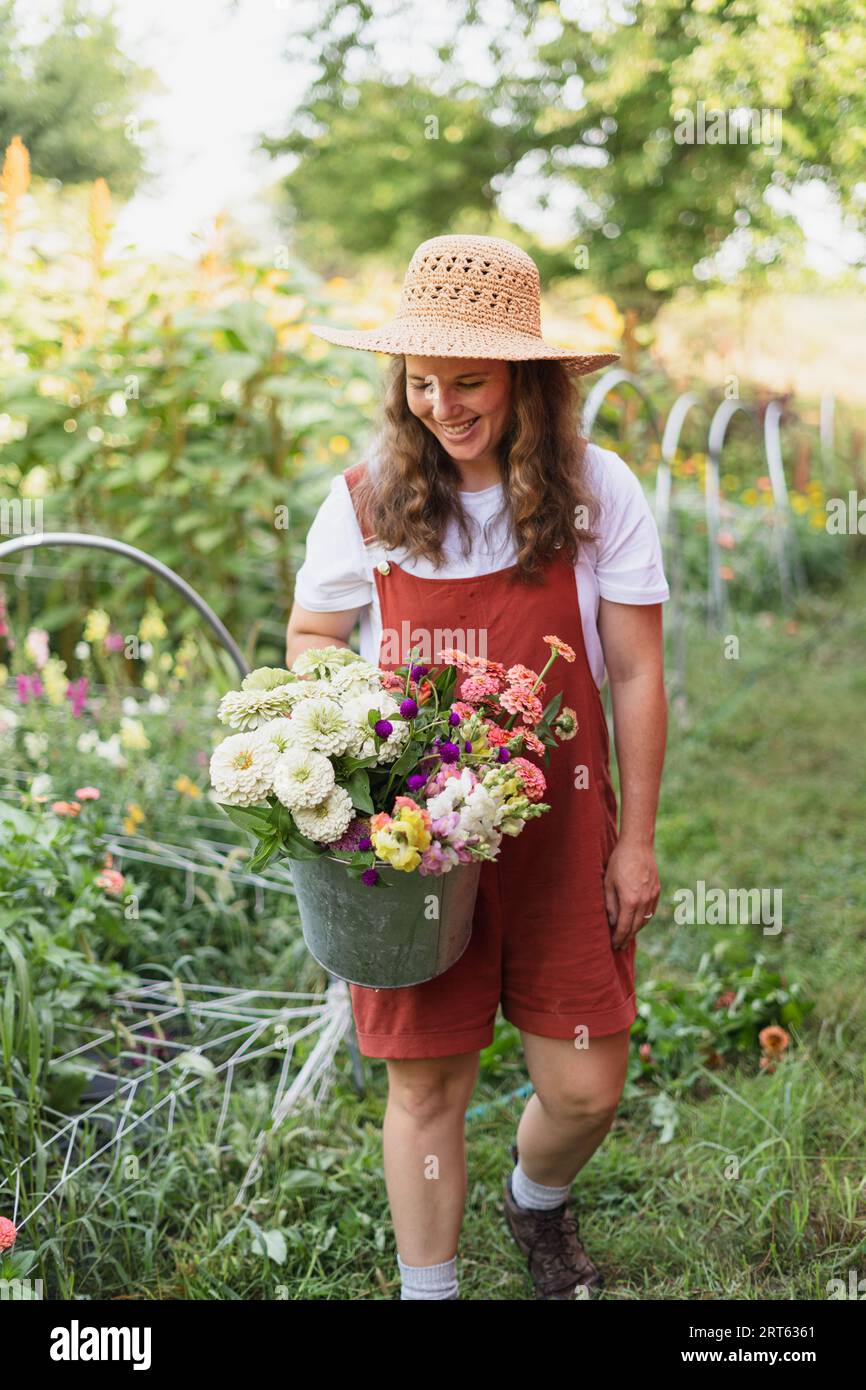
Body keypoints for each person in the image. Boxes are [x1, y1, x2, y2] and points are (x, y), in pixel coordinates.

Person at [286, 233, 669, 1301]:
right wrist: (363, 734)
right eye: (421, 382)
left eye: (469, 381)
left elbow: (634, 673)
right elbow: (313, 636)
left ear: (525, 382)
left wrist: (633, 839)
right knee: (426, 1087)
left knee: (586, 1086)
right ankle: (431, 1293)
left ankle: (534, 1200)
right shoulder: (367, 503)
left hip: (559, 835)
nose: (442, 405)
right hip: (417, 845)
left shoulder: (596, 495)